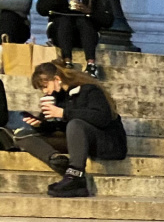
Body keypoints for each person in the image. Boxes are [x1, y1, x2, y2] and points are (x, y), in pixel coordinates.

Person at [12, 60, 126, 197]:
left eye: (45, 86)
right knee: (22, 135)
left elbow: (102, 117)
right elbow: (61, 127)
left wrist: (63, 113)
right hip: (78, 141)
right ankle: (58, 162)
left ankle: (76, 176)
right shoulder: (57, 97)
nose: (45, 91)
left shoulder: (88, 89)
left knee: (75, 124)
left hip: (107, 141)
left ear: (57, 79)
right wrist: (41, 125)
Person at [37, 0, 111, 78]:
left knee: (83, 21)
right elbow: (41, 9)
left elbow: (108, 20)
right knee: (64, 20)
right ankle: (67, 61)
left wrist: (89, 12)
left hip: (86, 35)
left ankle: (91, 64)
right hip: (59, 31)